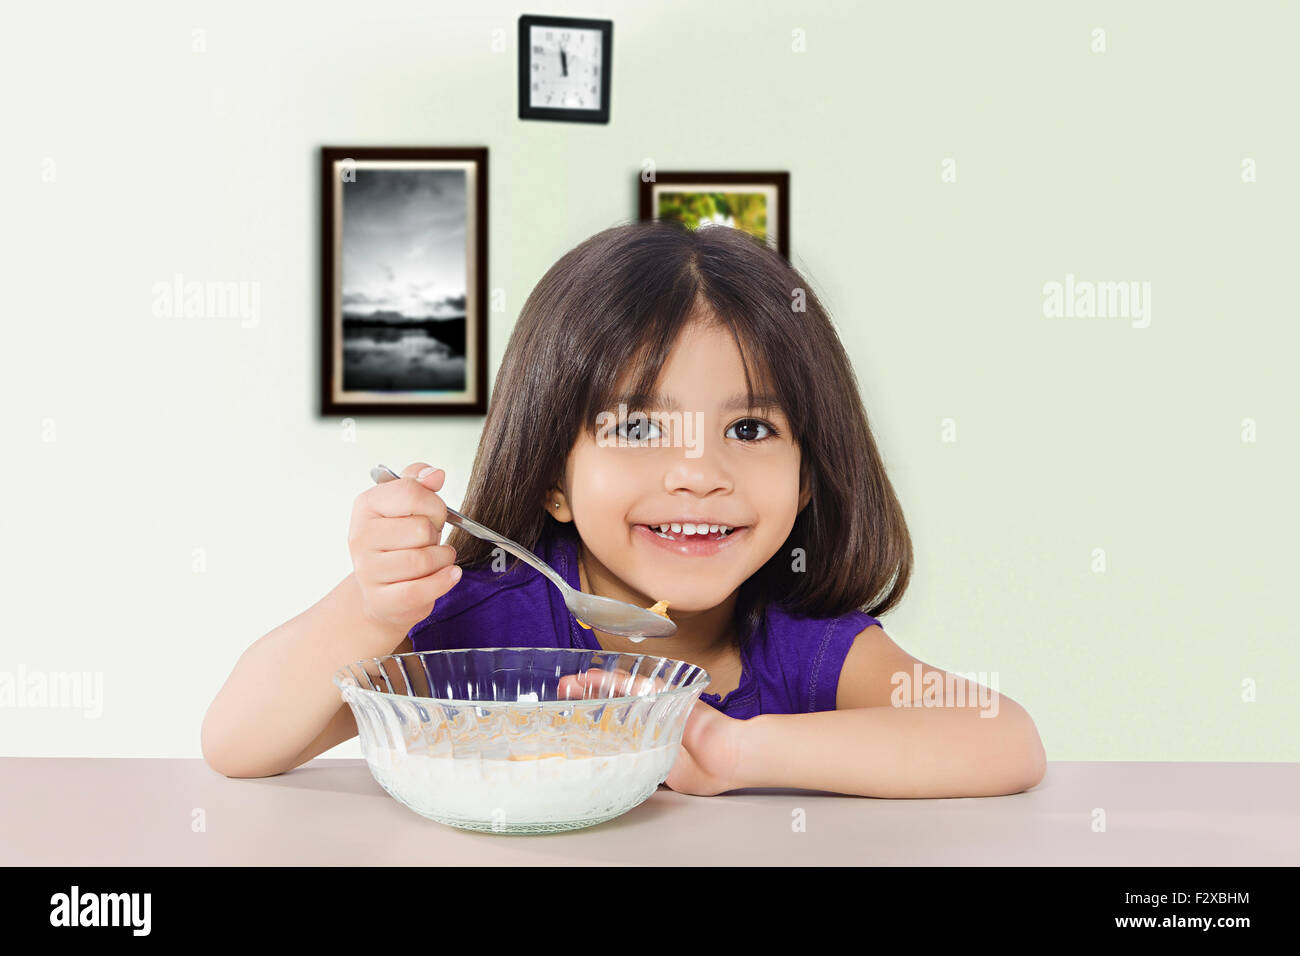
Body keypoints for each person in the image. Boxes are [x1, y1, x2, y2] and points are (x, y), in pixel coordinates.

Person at [202, 219, 1046, 797]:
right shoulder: (490, 622)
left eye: (749, 427)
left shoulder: (796, 641)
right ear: (552, 475)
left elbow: (1002, 738)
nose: (698, 472)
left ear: (810, 475)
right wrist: (369, 605)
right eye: (640, 425)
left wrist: (731, 748)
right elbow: (238, 744)